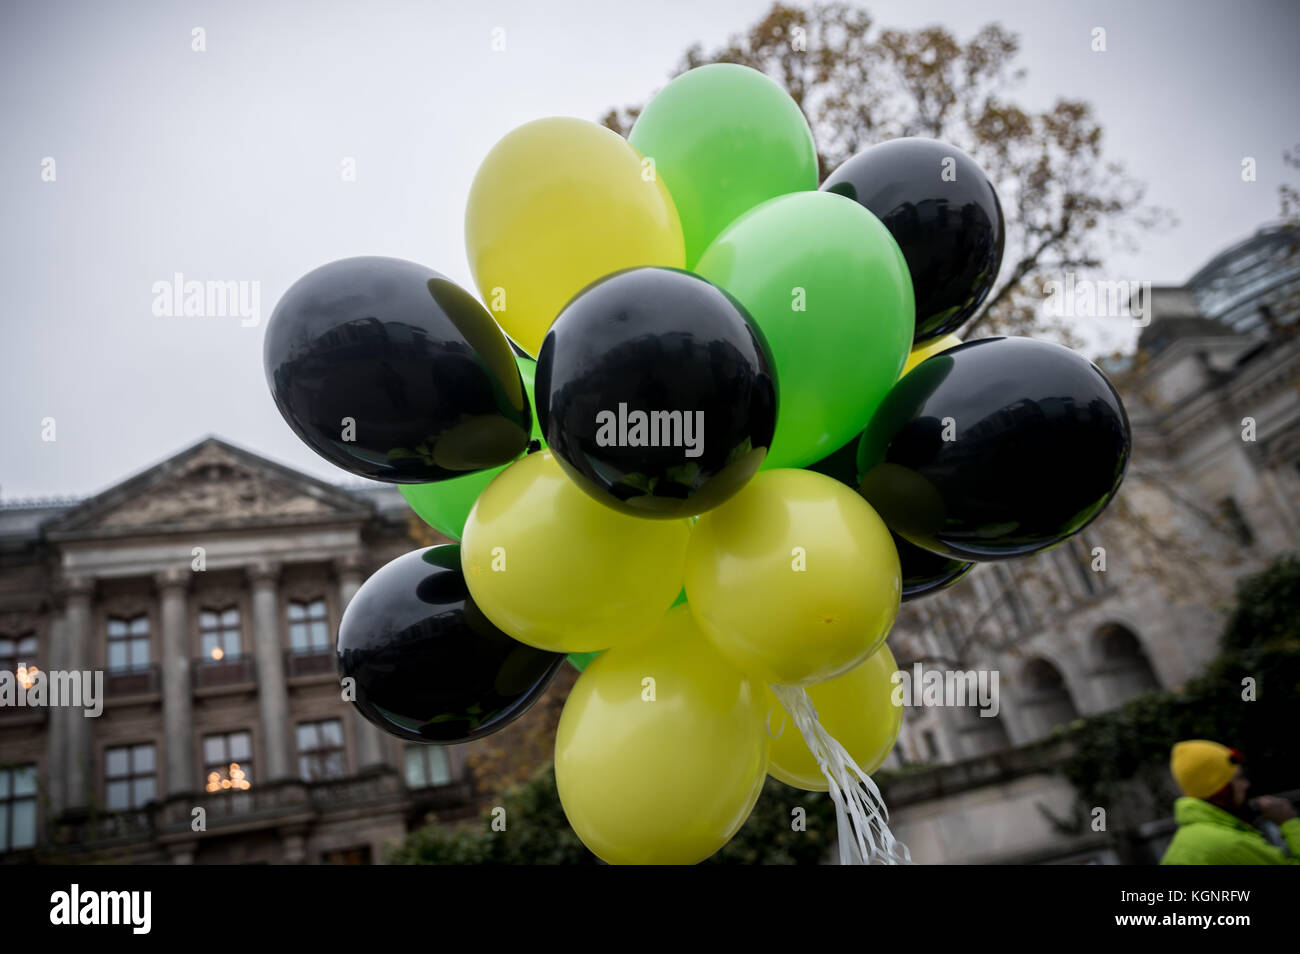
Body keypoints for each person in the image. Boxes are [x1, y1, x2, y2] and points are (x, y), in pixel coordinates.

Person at [1160, 739, 1300, 865]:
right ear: (1220, 790)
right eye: (1238, 779)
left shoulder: (1190, 838)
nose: (1246, 784)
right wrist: (1289, 822)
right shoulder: (1230, 845)